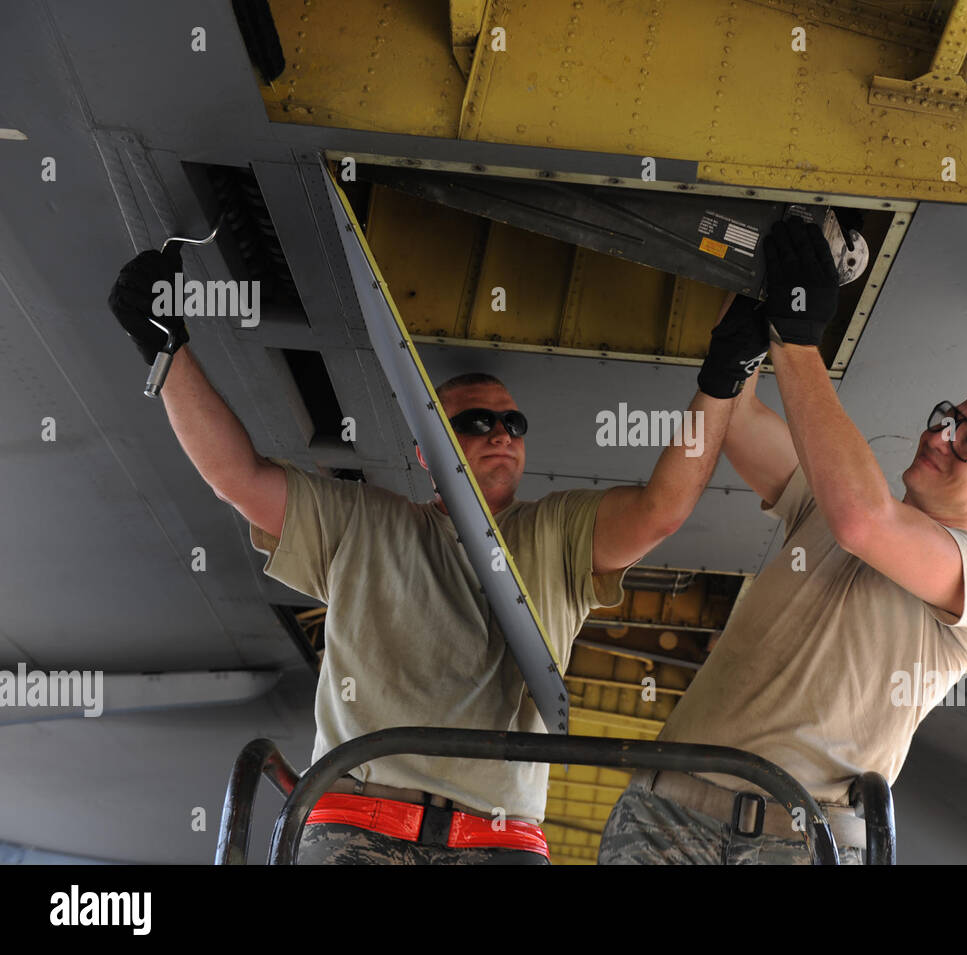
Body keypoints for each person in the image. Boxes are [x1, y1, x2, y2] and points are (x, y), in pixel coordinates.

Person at [107, 245, 767, 864]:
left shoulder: (559, 534)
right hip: (358, 824)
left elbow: (662, 509)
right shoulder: (363, 523)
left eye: (513, 423)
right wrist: (165, 350)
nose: (500, 434)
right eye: (475, 423)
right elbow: (237, 478)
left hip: (499, 837)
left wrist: (722, 376)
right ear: (427, 452)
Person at [599, 220, 967, 865]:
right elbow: (737, 419)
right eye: (948, 420)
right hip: (665, 815)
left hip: (799, 843)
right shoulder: (829, 501)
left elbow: (864, 523)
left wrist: (797, 339)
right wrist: (759, 297)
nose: (940, 438)